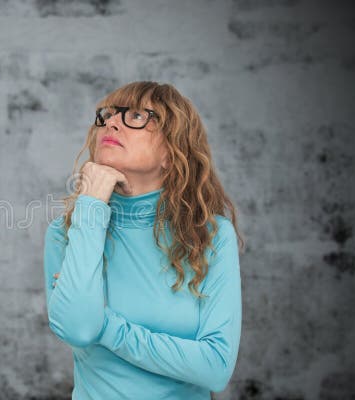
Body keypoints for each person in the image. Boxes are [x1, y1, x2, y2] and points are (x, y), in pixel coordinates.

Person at [43, 81, 245, 399]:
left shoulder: (212, 236)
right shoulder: (67, 231)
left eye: (136, 116)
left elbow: (215, 367)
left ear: (171, 151)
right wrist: (92, 206)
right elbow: (80, 329)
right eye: (107, 115)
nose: (111, 122)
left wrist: (106, 324)